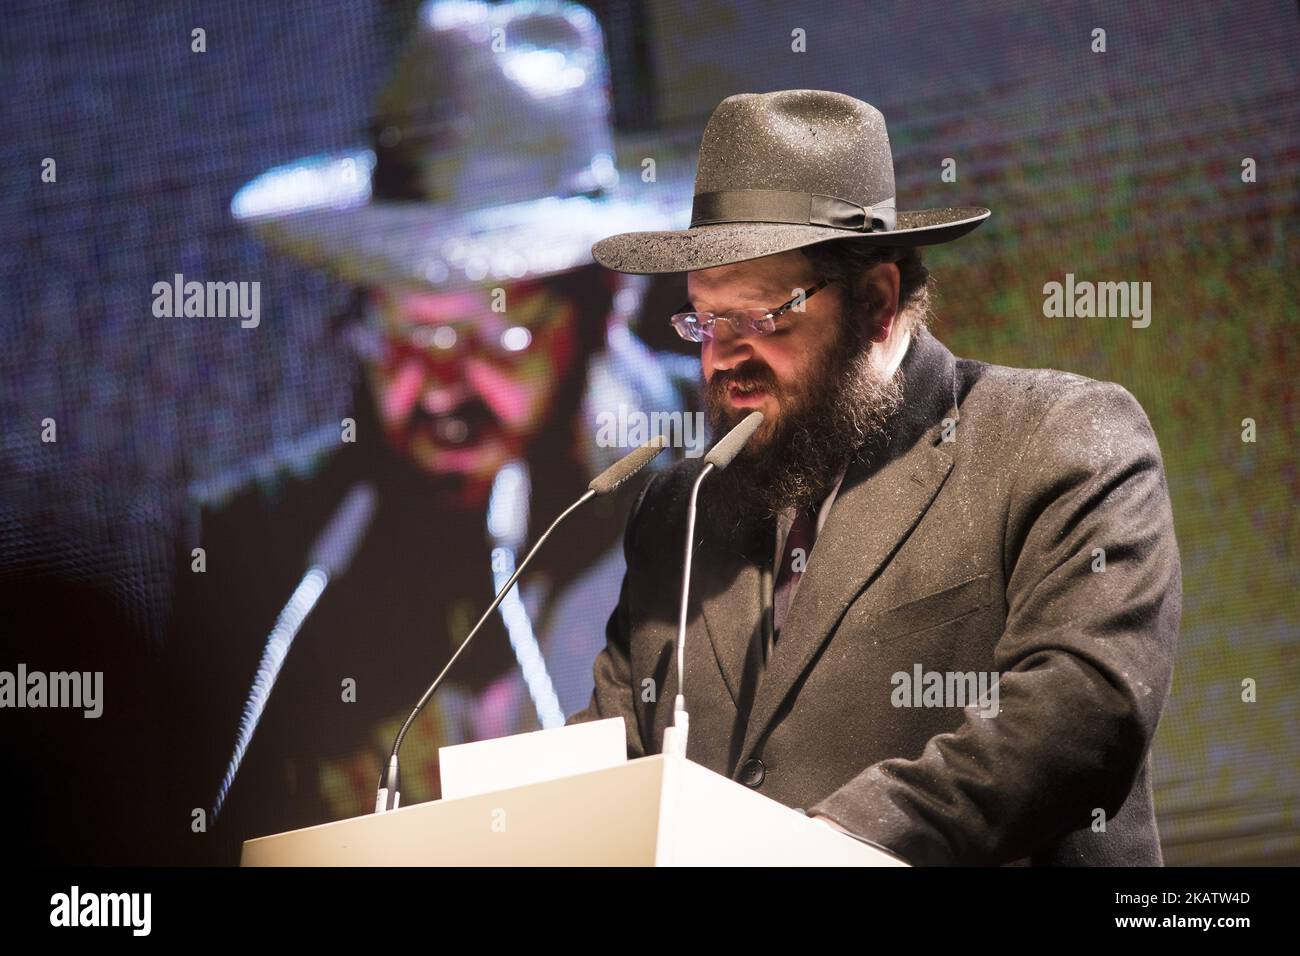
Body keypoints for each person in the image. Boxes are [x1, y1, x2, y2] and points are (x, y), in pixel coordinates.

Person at [568, 89, 1181, 866]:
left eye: (762, 317)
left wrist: (825, 847)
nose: (724, 356)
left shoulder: (1054, 437)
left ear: (879, 304)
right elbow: (610, 753)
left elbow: (1083, 708)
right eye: (706, 320)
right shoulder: (678, 512)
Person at [163, 0, 696, 864]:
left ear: (606, 314)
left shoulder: (754, 482)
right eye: (405, 337)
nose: (442, 387)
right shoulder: (268, 549)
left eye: (502, 336)